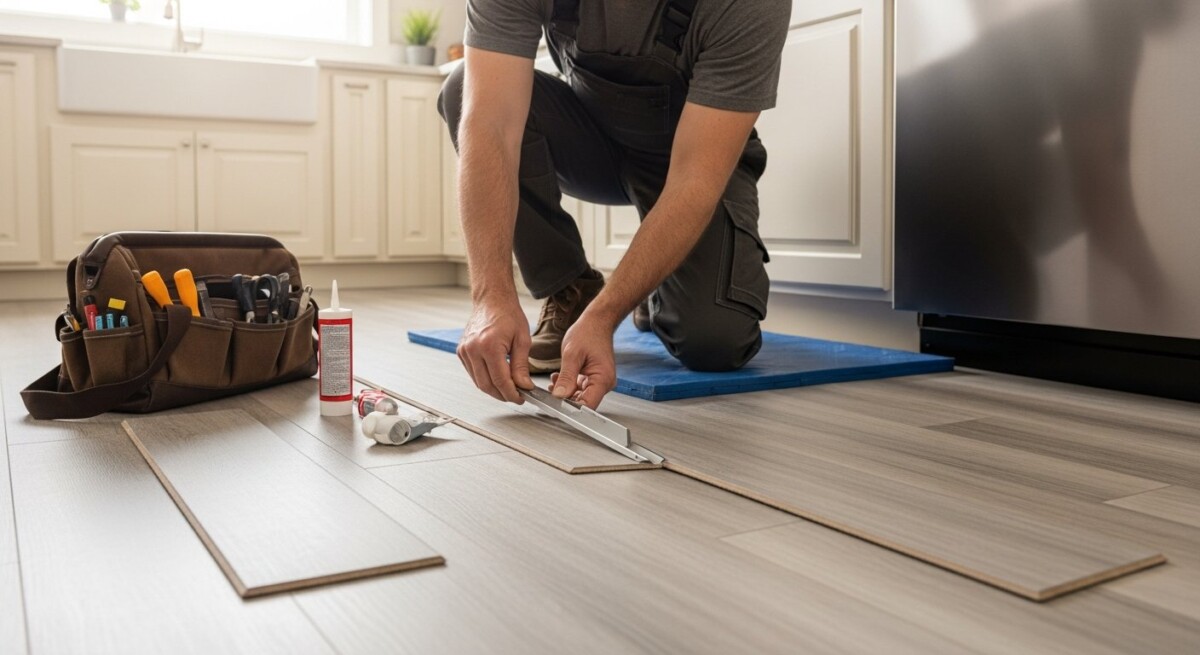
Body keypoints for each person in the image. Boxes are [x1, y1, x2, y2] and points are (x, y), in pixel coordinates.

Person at [438, 0, 790, 409]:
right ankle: (571, 287)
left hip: (694, 159)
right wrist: (489, 297)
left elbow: (695, 179)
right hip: (593, 139)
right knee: (464, 87)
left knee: (715, 343)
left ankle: (648, 288)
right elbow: (491, 126)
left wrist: (605, 318)